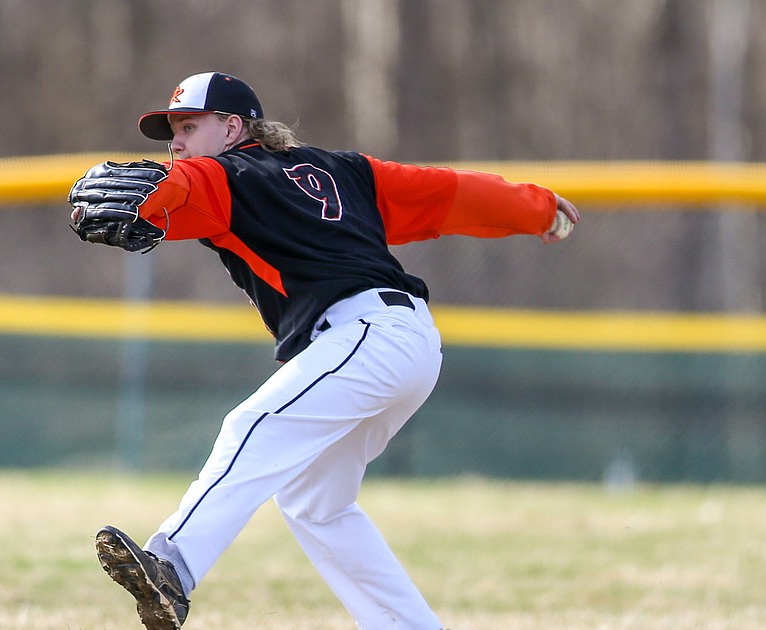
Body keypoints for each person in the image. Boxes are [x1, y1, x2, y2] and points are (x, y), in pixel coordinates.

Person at [69, 71, 580, 630]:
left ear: (234, 127)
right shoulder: (347, 171)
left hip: (362, 337)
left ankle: (173, 564)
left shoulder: (219, 174)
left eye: (190, 126)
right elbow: (449, 192)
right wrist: (538, 208)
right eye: (173, 131)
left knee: (253, 423)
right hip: (406, 346)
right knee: (315, 502)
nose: (177, 144)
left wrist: (148, 202)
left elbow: (183, 190)